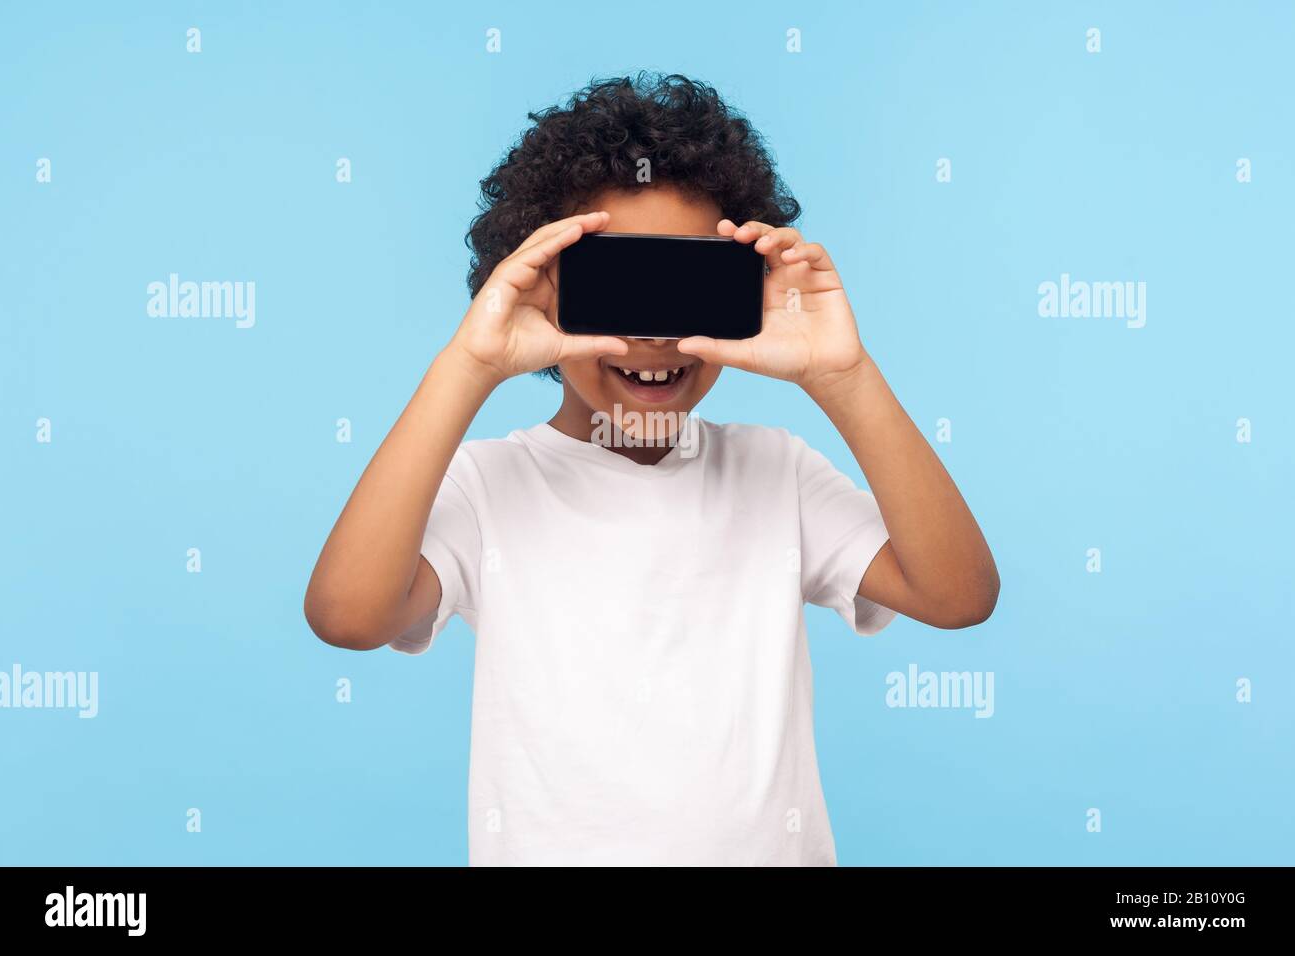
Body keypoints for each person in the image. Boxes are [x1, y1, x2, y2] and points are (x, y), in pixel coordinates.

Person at [305, 73, 999, 865]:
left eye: (689, 286)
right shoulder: (486, 486)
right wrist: (469, 364)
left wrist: (843, 375)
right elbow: (348, 617)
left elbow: (959, 597)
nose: (657, 337)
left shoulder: (777, 474)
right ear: (541, 295)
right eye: (620, 286)